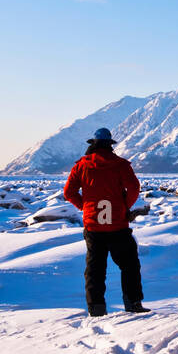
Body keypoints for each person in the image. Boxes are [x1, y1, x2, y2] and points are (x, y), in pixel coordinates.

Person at [63, 128, 149, 316]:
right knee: (129, 265)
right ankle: (133, 303)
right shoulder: (120, 164)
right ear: (110, 144)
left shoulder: (81, 166)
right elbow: (134, 187)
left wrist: (85, 207)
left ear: (92, 144)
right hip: (118, 225)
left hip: (93, 226)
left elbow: (68, 192)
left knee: (95, 268)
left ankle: (96, 308)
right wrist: (125, 206)